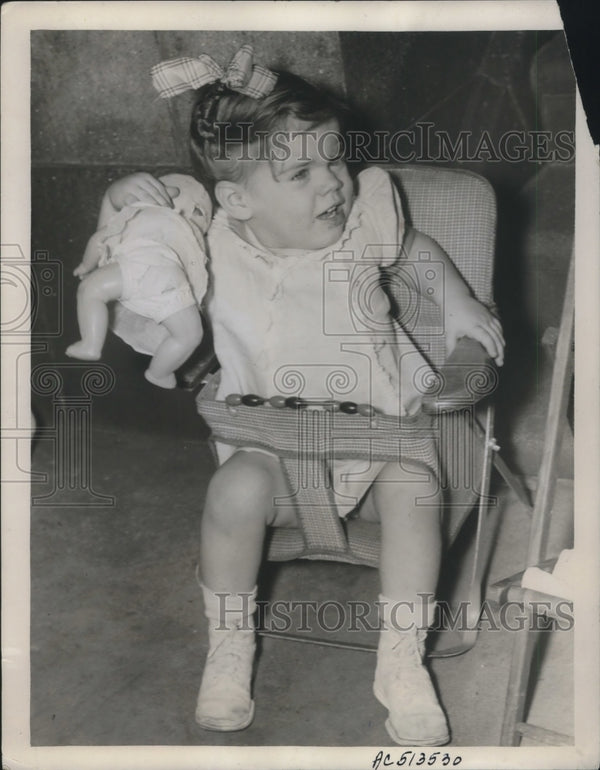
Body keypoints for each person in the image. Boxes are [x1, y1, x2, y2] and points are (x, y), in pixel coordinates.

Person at [104, 45, 505, 745]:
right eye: (300, 171)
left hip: (380, 438)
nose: (333, 184)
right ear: (236, 198)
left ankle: (401, 659)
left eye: (335, 159)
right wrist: (124, 195)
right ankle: (230, 645)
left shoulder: (362, 228)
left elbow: (413, 254)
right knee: (231, 494)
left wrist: (460, 303)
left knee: (415, 494)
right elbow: (135, 242)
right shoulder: (205, 244)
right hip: (268, 444)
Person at [66, 173, 211, 389]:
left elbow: (99, 240)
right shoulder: (191, 239)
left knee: (89, 289)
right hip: (169, 282)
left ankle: (91, 343)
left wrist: (87, 266)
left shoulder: (136, 215)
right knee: (189, 335)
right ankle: (159, 372)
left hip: (133, 269)